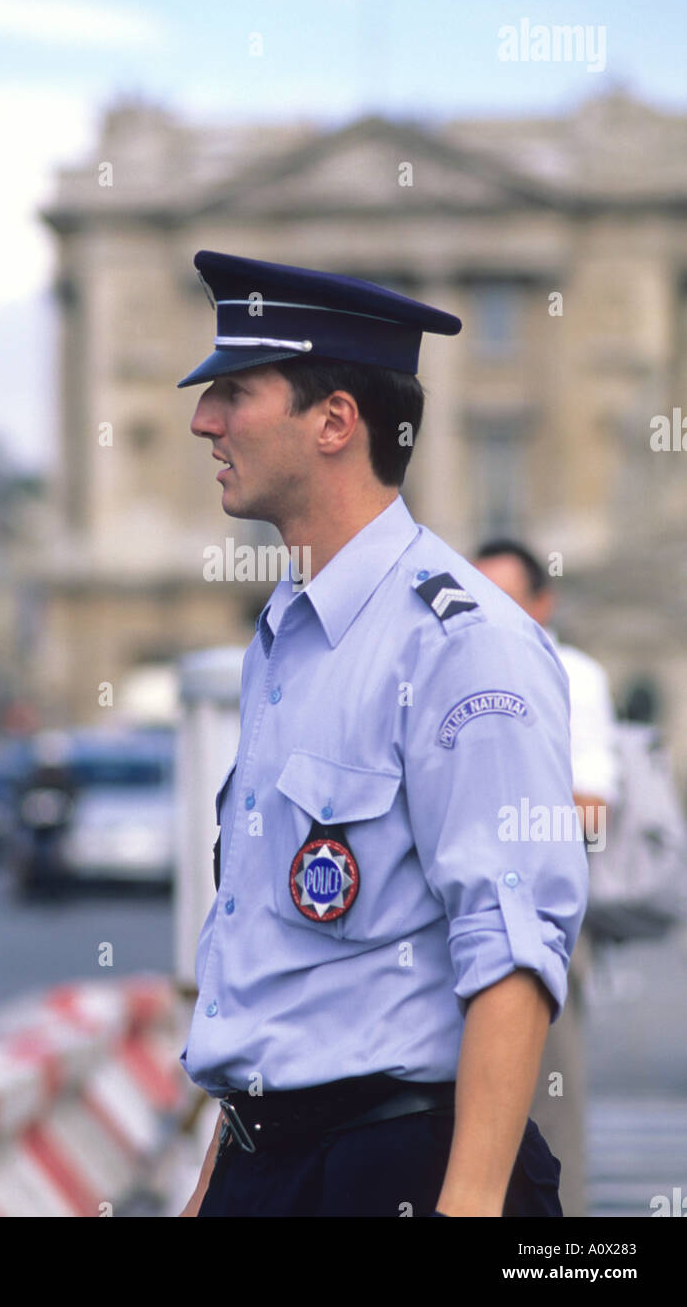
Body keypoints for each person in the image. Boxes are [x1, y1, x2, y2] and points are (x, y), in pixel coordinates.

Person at [176, 250, 588, 1218]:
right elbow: (270, 968)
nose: (202, 419)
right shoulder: (283, 637)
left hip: (394, 1171)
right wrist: (211, 1186)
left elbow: (511, 947)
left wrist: (469, 1208)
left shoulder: (461, 643)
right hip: (264, 1163)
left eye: (233, 391)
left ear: (333, 421)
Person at [472, 539, 620, 1217]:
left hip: (543, 923)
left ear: (543, 604)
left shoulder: (570, 673)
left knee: (549, 1120)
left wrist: (496, 803)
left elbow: (592, 813)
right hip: (465, 920)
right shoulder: (459, 666)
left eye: (507, 596)